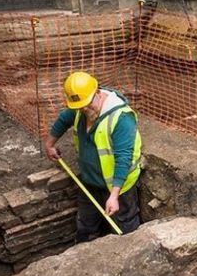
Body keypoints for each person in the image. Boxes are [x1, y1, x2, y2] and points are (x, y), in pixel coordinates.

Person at [45, 72, 144, 241]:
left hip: (119, 188)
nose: (83, 109)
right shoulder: (81, 106)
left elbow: (124, 158)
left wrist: (114, 196)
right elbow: (64, 119)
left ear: (98, 92)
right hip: (90, 183)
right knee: (86, 226)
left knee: (125, 231)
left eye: (87, 104)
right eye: (79, 106)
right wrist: (49, 144)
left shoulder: (121, 119)